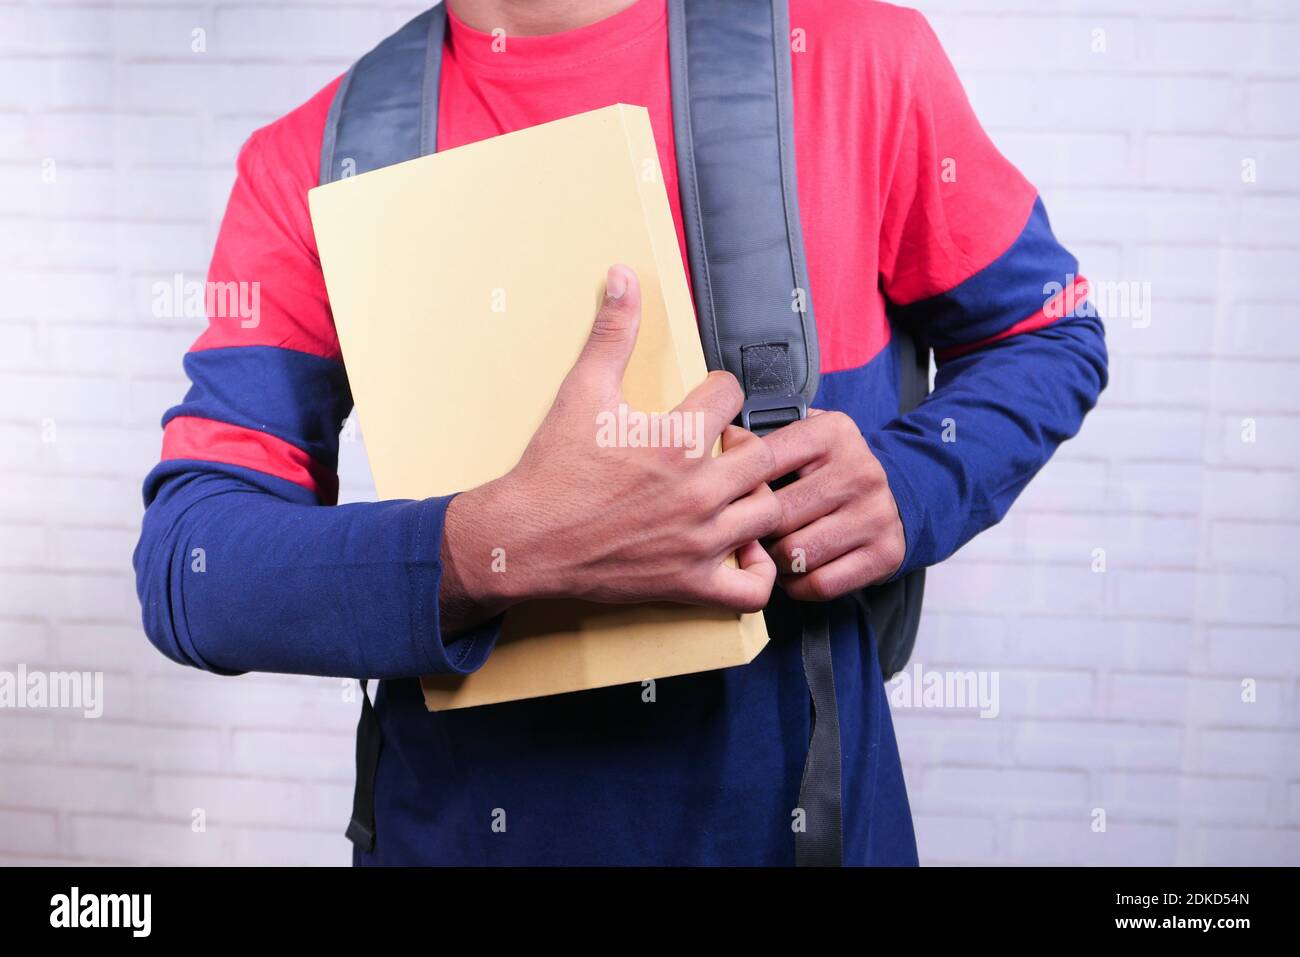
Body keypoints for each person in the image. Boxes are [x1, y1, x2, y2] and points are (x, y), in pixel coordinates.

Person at [134, 0, 1107, 865]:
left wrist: (913, 480)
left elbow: (1045, 331)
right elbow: (193, 564)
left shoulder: (859, 57)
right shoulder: (310, 160)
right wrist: (494, 550)